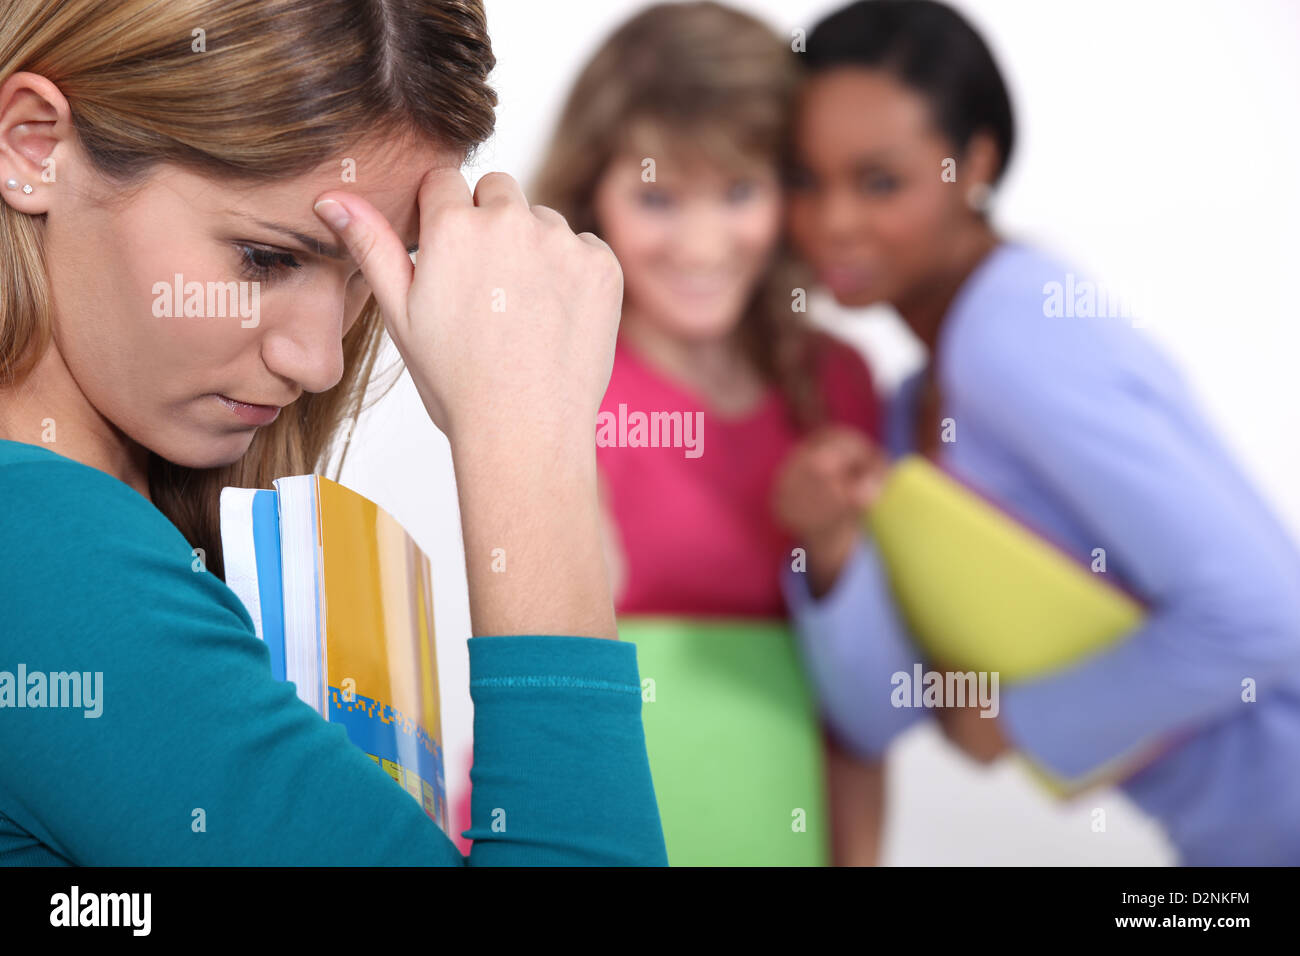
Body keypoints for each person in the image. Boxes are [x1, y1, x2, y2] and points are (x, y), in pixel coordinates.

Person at [0, 0, 665, 866]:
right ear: (32, 145)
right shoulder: (45, 561)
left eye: (368, 271)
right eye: (266, 258)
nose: (318, 360)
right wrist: (529, 441)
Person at [775, 0, 1300, 865]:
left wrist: (1015, 722)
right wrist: (831, 545)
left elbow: (1262, 615)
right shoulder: (910, 409)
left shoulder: (1013, 330)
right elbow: (878, 714)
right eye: (804, 179)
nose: (833, 222)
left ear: (975, 163)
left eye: (879, 181)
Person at [522, 0, 885, 865]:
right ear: (593, 194)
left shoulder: (836, 384)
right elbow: (545, 674)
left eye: (738, 190)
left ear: (791, 193)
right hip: (581, 831)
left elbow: (863, 710)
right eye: (657, 196)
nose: (701, 243)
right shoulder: (558, 374)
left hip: (778, 830)